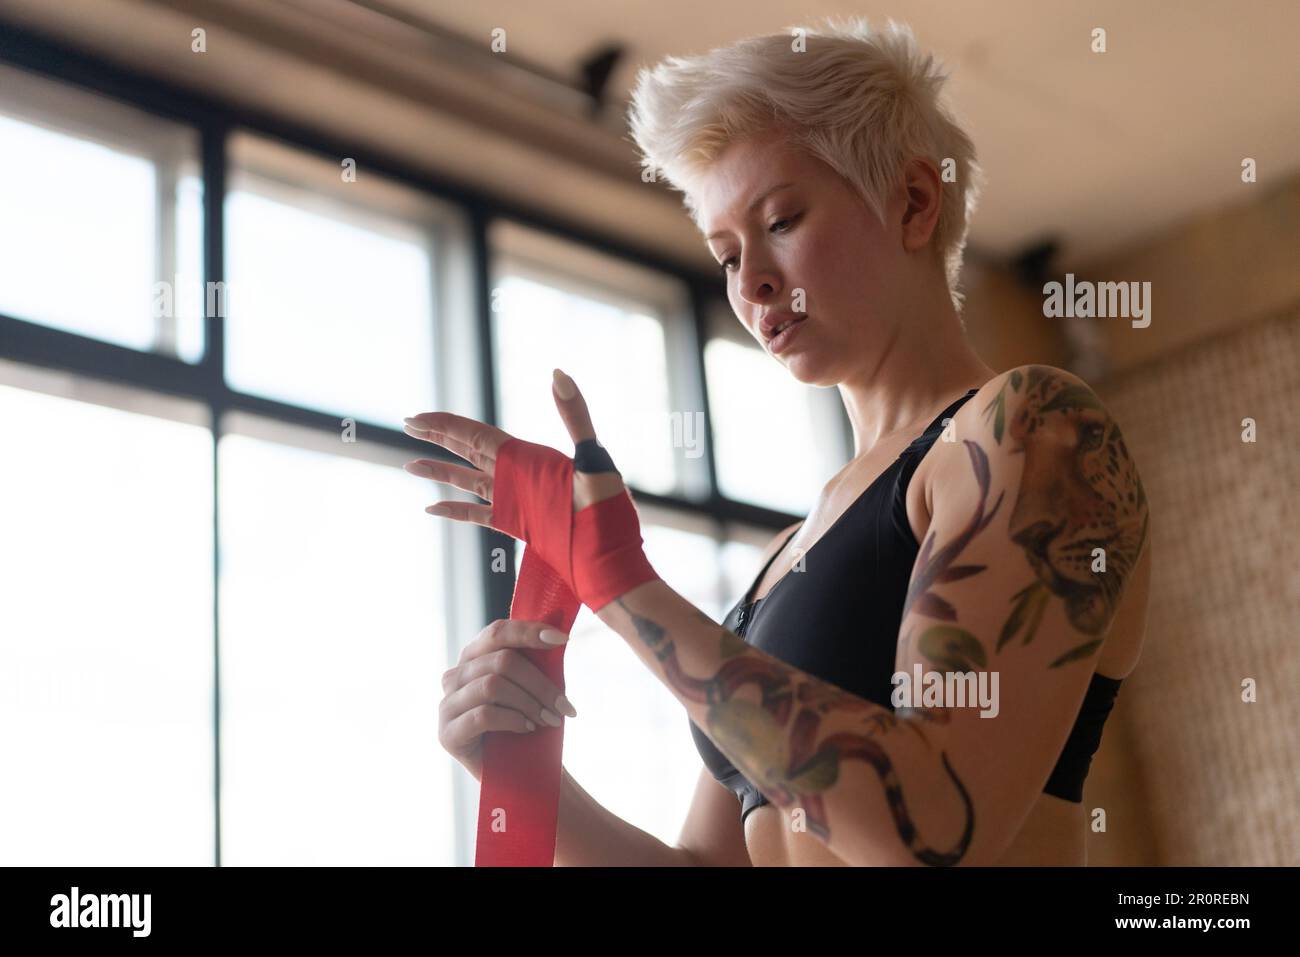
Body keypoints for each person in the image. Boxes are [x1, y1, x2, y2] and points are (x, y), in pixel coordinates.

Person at [431, 17, 1152, 866]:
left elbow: (934, 826)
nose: (754, 282)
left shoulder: (1029, 426)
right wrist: (525, 777)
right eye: (727, 254)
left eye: (780, 221)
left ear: (915, 203)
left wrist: (621, 585)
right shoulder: (786, 554)